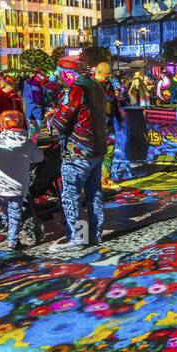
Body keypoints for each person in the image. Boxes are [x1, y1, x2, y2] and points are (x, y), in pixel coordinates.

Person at [48, 56, 108, 250]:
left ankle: (78, 238)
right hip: (96, 149)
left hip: (78, 151)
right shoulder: (96, 86)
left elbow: (61, 121)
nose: (59, 79)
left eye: (60, 75)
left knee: (71, 196)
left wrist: (52, 116)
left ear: (67, 73)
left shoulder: (76, 89)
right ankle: (95, 234)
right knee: (94, 194)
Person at [0, 109, 44, 251]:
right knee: (15, 211)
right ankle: (13, 241)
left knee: (5, 207)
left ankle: (7, 227)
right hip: (19, 186)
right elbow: (39, 158)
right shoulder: (27, 144)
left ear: (2, 125)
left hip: (1, 186)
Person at [0, 72, 24, 137]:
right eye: (13, 84)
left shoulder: (13, 96)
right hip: (5, 128)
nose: (14, 86)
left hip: (7, 128)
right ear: (8, 85)